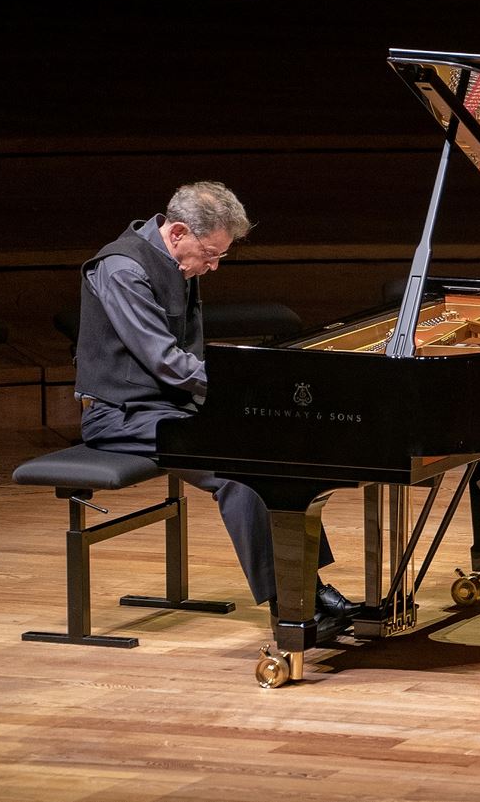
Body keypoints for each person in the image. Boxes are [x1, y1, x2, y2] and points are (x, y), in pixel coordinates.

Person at [73, 181, 359, 641]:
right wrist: (239, 387)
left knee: (273, 445)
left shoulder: (175, 261)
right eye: (210, 254)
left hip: (167, 406)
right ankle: (291, 607)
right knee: (238, 471)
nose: (213, 266)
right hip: (119, 414)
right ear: (178, 232)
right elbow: (164, 359)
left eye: (220, 255)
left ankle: (310, 588)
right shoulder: (123, 268)